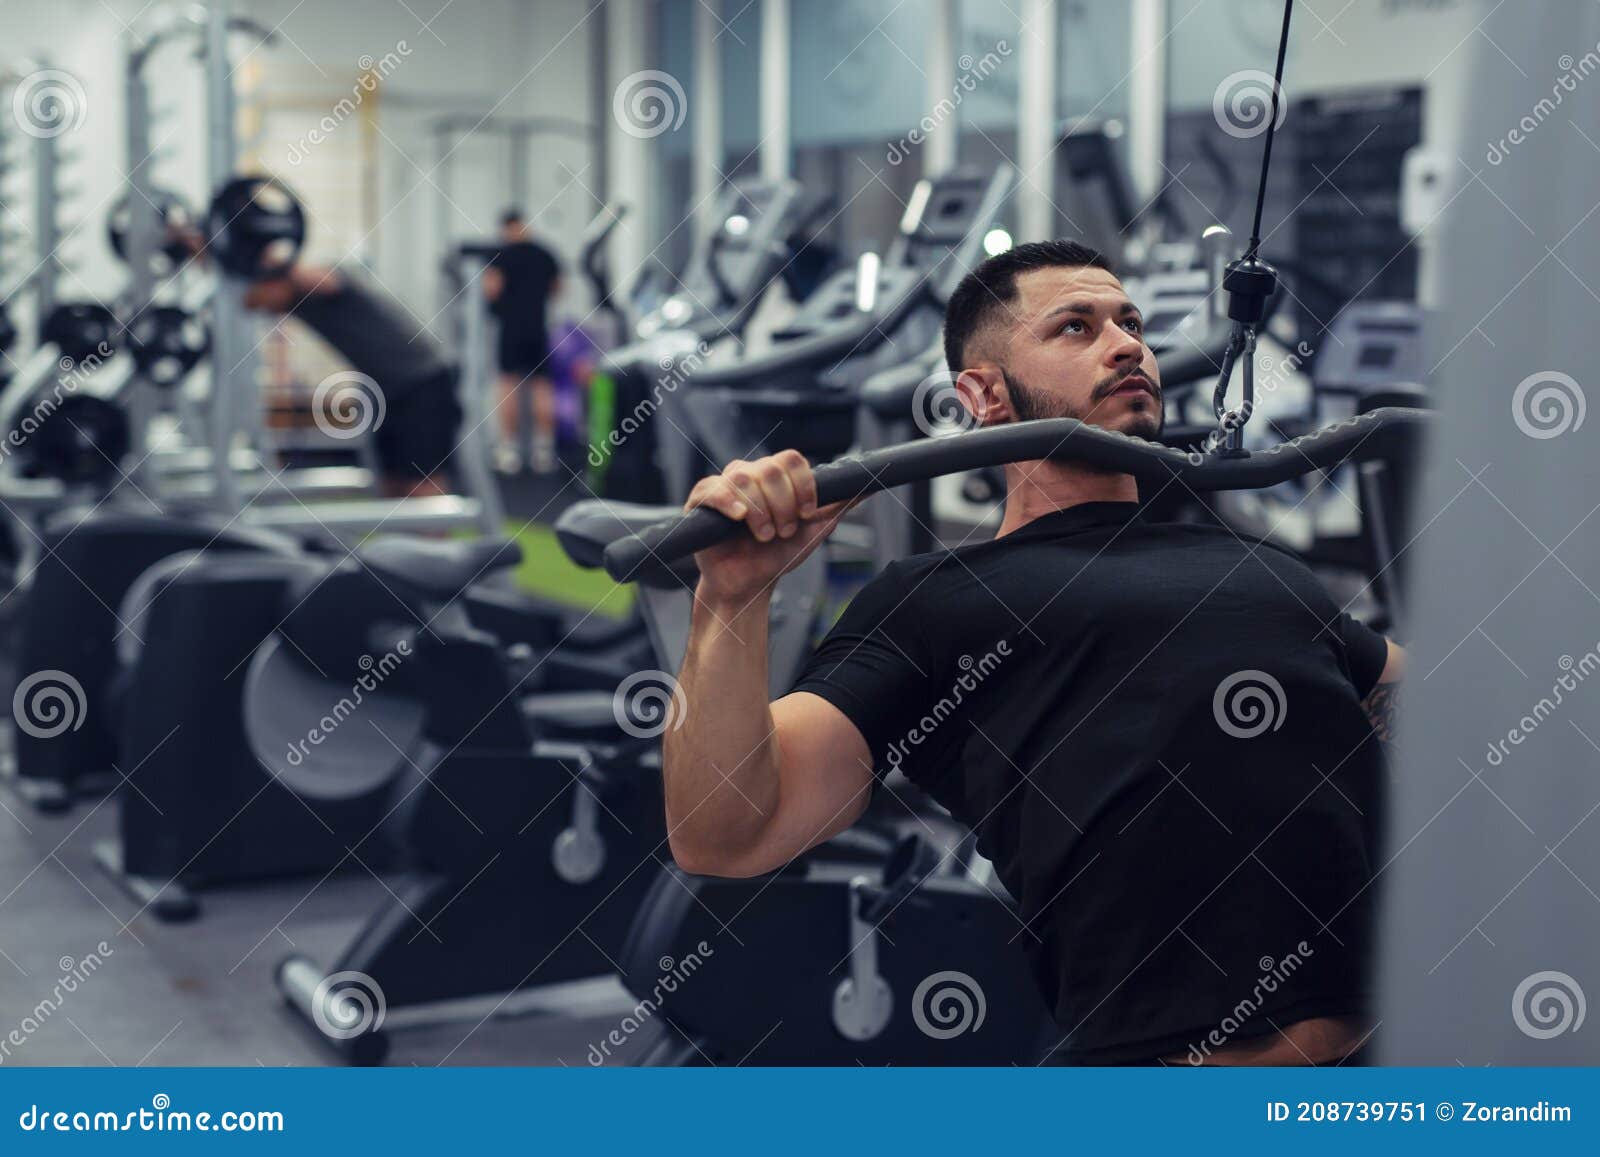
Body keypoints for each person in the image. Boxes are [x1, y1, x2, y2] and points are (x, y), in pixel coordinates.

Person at [661, 240, 1406, 1067]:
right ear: (981, 393)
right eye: (1076, 328)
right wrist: (730, 600)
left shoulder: (1261, 566)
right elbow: (723, 832)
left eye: (1132, 323)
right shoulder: (936, 601)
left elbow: (1446, 717)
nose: (1126, 344)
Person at [242, 264, 461, 499]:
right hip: (386, 390)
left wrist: (257, 252)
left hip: (422, 382)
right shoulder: (295, 302)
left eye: (260, 291)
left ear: (278, 281)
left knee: (421, 481)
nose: (262, 304)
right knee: (391, 482)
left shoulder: (322, 283)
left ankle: (436, 535)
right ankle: (403, 536)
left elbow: (322, 279)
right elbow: (247, 300)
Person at [484, 209, 562, 473]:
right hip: (537, 328)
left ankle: (509, 451)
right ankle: (543, 451)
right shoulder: (544, 254)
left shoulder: (501, 256)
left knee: (508, 384)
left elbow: (491, 290)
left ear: (507, 228)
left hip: (511, 330)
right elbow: (557, 289)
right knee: (542, 384)